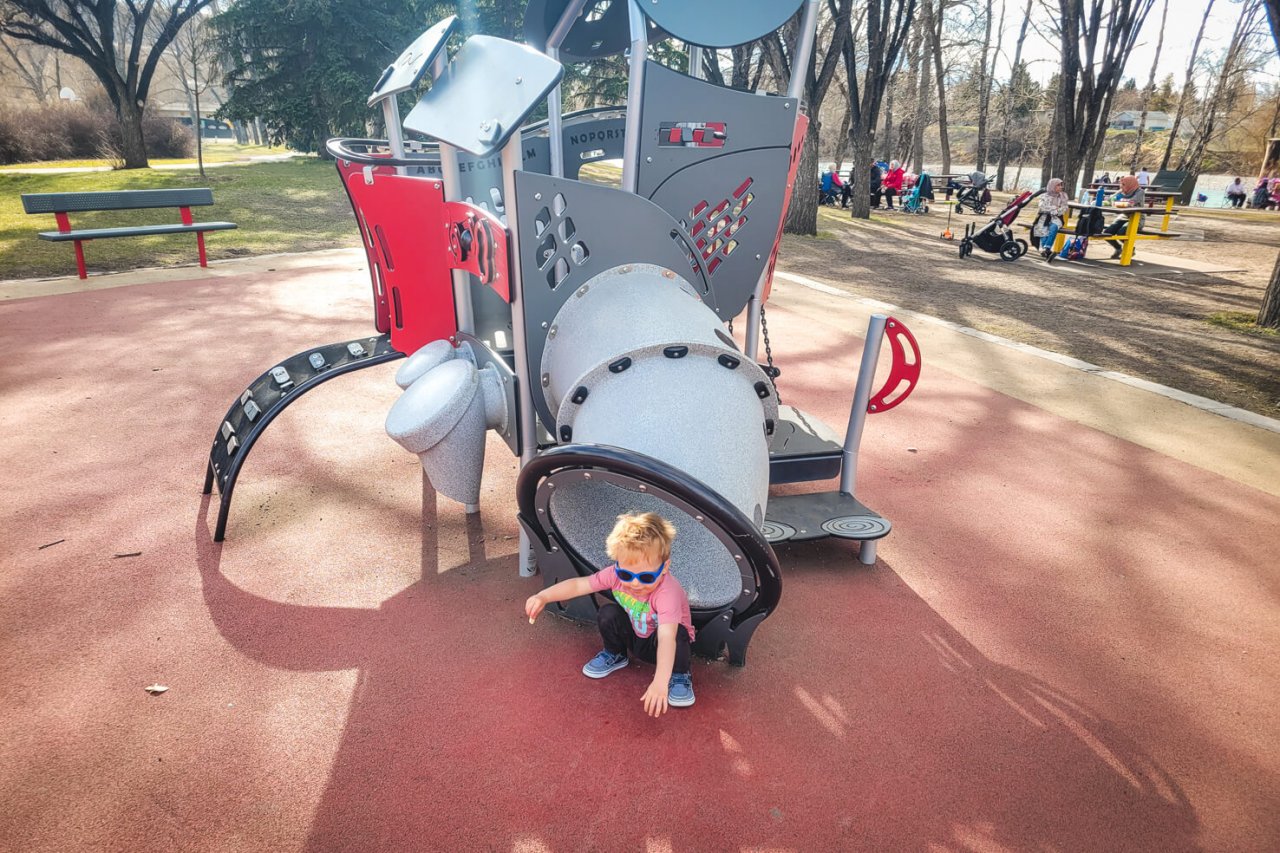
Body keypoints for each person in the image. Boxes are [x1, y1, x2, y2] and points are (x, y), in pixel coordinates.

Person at [524, 512, 695, 716]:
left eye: (647, 576)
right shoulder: (614, 576)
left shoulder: (668, 593)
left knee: (678, 634)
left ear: (664, 567)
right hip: (636, 635)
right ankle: (616, 654)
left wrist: (660, 682)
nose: (635, 583)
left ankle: (679, 675)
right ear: (617, 566)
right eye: (626, 574)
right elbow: (581, 584)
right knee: (608, 612)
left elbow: (667, 638)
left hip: (665, 645)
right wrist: (543, 596)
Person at [1102, 174, 1146, 259]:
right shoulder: (1122, 192)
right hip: (1123, 216)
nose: (1121, 186)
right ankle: (1118, 248)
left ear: (1130, 183)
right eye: (1121, 184)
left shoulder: (1140, 192)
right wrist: (1110, 200)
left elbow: (1131, 202)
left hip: (1137, 218)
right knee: (1107, 233)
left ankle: (1130, 249)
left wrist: (1119, 201)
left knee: (1121, 232)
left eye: (1124, 184)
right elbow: (1110, 200)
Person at [1033, 178, 1070, 259]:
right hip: (1044, 216)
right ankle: (1046, 250)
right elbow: (1042, 207)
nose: (1061, 187)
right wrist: (1054, 208)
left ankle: (1046, 248)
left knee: (1053, 227)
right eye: (1058, 185)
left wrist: (1056, 211)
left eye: (1061, 185)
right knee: (1043, 228)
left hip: (1057, 218)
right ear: (1052, 186)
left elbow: (1064, 208)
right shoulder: (1045, 196)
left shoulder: (1063, 196)